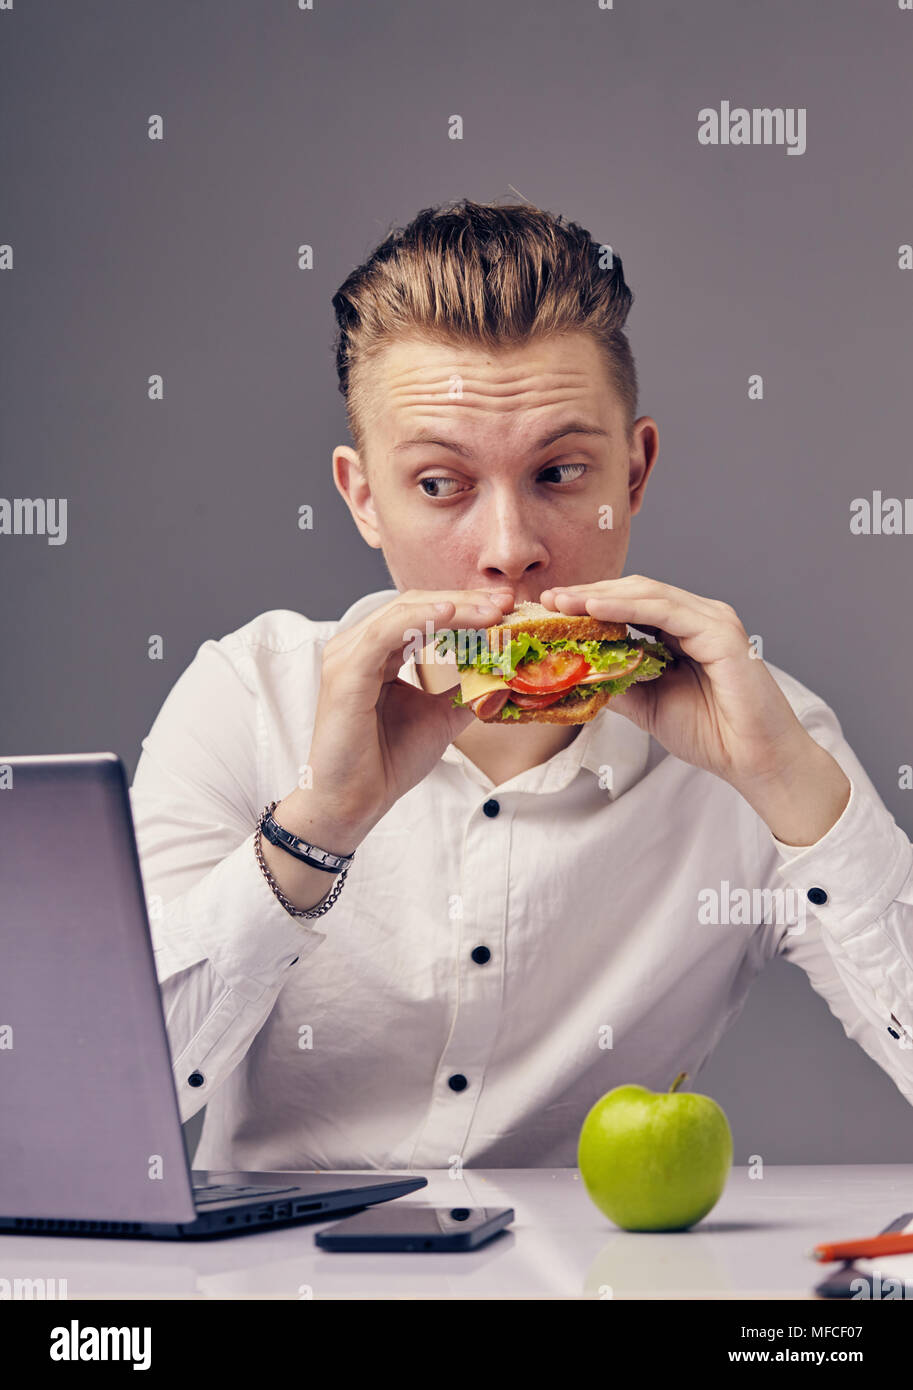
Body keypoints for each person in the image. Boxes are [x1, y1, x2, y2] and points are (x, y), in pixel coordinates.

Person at [131, 199, 913, 1172]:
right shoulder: (246, 696)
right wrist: (316, 828)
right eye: (437, 484)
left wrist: (797, 795)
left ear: (633, 472)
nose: (509, 553)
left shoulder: (760, 730)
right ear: (361, 497)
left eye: (559, 471)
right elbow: (104, 1105)